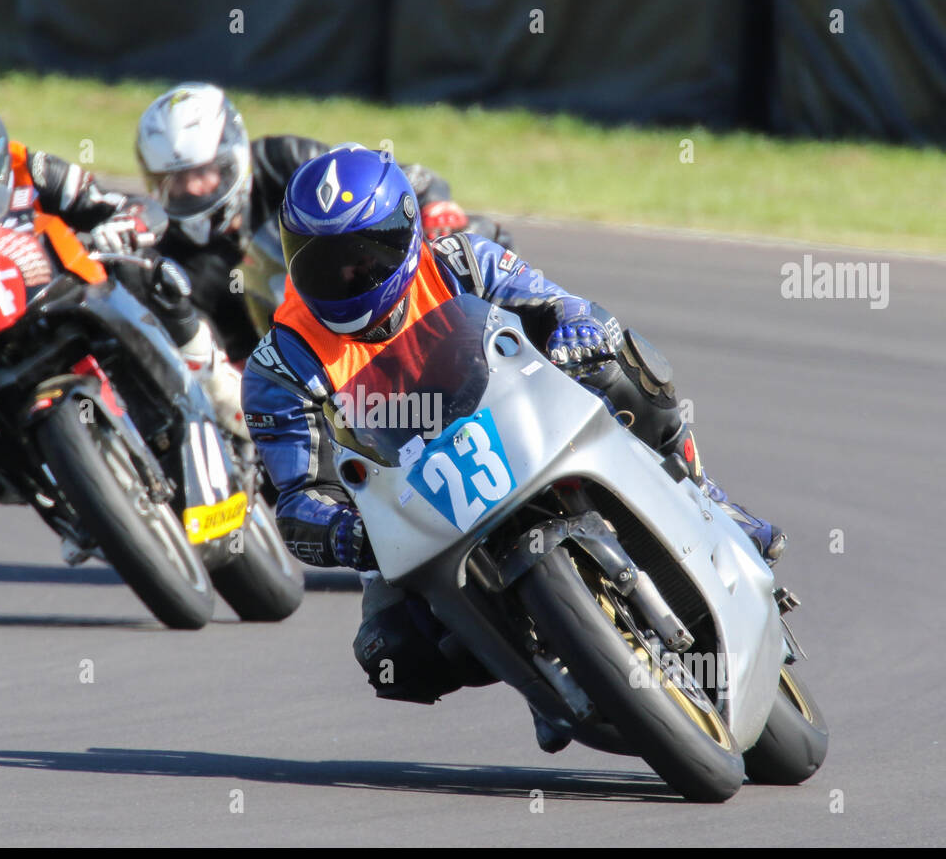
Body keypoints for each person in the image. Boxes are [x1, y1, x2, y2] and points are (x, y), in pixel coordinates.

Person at [241, 145, 786, 753]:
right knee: (394, 654)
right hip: (411, 508)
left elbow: (565, 305)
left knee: (623, 370)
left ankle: (709, 497)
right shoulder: (280, 366)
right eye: (327, 267)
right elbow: (296, 500)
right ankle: (540, 669)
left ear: (407, 230)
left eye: (366, 258)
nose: (350, 279)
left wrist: (581, 329)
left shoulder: (458, 258)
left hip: (526, 423)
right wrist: (342, 531)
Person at [0, 92, 241, 507]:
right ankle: (54, 491)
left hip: (67, 294)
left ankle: (212, 377)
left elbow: (116, 205)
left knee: (145, 271)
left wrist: (124, 227)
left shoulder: (32, 167)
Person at [134, 82, 511, 365]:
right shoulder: (170, 255)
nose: (190, 190)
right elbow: (200, 349)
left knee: (475, 232)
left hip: (359, 288)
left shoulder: (284, 160)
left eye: (202, 173)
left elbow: (378, 180)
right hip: (292, 364)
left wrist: (434, 205)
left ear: (230, 155)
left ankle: (506, 336)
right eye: (174, 181)